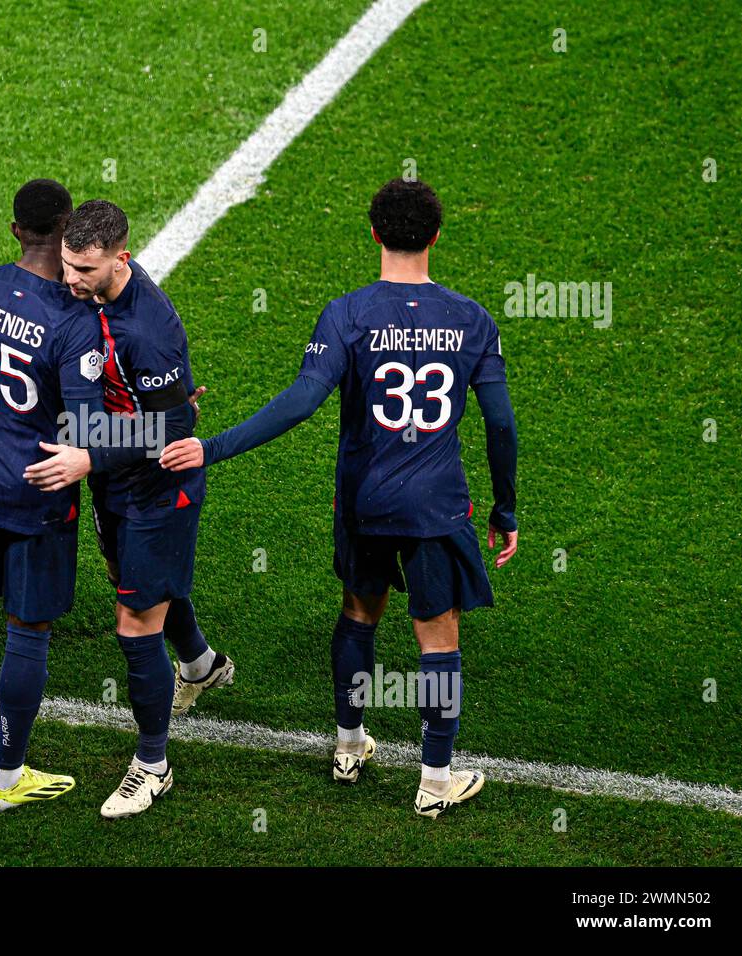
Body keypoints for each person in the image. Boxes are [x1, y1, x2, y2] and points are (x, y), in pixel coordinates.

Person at [160, 178, 518, 818]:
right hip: (435, 507)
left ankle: (349, 745)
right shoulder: (472, 320)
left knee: (358, 614)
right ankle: (436, 779)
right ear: (436, 236)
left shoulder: (347, 314)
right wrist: (505, 507)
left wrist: (211, 447)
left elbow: (301, 401)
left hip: (364, 502)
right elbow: (501, 424)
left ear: (374, 233)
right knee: (438, 642)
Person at [23, 200, 232, 819]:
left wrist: (89, 455)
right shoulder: (89, 294)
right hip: (115, 478)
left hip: (159, 489)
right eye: (67, 264)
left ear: (122, 258)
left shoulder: (147, 329)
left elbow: (174, 427)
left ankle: (152, 765)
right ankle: (199, 664)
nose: (70, 279)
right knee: (134, 581)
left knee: (135, 620)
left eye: (84, 270)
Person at [0, 180, 103, 811]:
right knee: (27, 632)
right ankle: (7, 778)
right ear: (68, 233)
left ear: (15, 230)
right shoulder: (74, 322)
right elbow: (89, 429)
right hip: (36, 495)